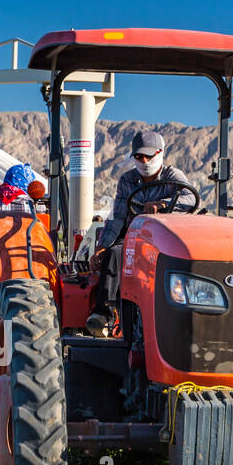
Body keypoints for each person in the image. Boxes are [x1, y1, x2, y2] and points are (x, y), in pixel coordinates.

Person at [87, 130, 195, 335]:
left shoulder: (174, 177)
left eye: (148, 156)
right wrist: (102, 247)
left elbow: (190, 199)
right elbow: (118, 216)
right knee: (114, 255)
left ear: (160, 153)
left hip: (165, 240)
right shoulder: (127, 180)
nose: (144, 161)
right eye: (138, 156)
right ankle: (103, 314)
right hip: (134, 236)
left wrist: (163, 205)